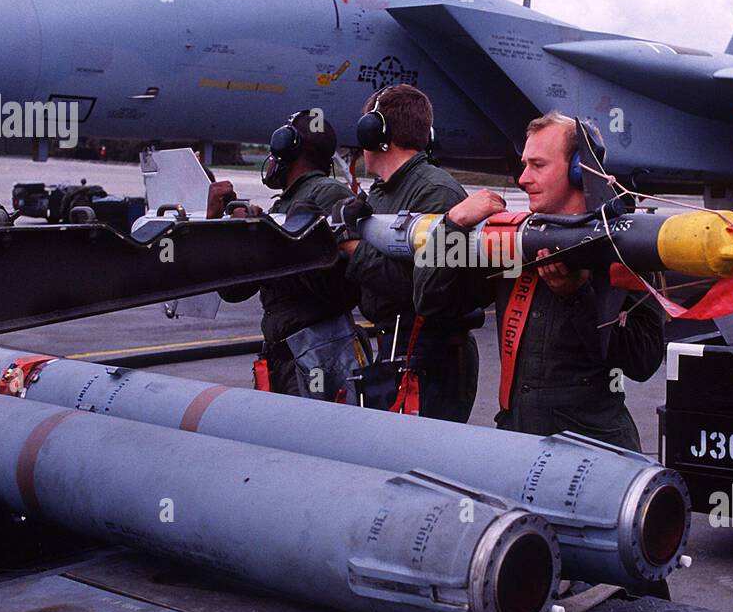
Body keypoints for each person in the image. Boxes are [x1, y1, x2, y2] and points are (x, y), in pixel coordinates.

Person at [414, 110, 663, 450]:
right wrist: (452, 226)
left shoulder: (621, 244)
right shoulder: (514, 241)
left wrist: (578, 296)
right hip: (519, 443)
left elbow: (643, 360)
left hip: (592, 449)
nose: (523, 178)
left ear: (580, 170)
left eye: (538, 165)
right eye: (524, 164)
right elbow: (432, 301)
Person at [337, 84, 480, 421]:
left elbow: (423, 289)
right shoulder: (385, 194)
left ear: (375, 132)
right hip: (397, 346)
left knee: (423, 460)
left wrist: (352, 248)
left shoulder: (437, 193)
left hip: (430, 356)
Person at [208, 109, 367, 398]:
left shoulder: (326, 194)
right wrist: (234, 233)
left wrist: (274, 239)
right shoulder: (286, 205)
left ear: (288, 146)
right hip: (287, 355)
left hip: (317, 353)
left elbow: (338, 288)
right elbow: (233, 291)